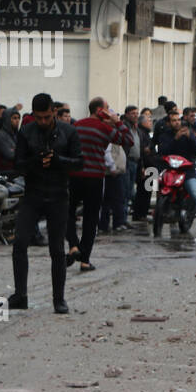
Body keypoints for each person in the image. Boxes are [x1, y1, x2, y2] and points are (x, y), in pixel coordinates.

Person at [8, 93, 83, 314]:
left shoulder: (69, 132)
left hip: (58, 195)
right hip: (33, 195)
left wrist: (59, 161)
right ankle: (21, 295)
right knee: (20, 243)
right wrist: (35, 161)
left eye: (47, 117)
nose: (43, 122)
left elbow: (79, 163)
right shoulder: (26, 132)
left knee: (57, 249)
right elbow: (18, 165)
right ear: (33, 115)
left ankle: (58, 299)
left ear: (54, 113)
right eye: (39, 117)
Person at [67, 98, 135, 271]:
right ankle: (85, 260)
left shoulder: (76, 126)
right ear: (99, 111)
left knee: (68, 211)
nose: (110, 111)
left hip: (74, 176)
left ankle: (74, 246)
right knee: (91, 218)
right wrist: (117, 121)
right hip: (95, 178)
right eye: (107, 109)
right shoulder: (105, 129)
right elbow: (129, 140)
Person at [155, 112, 196, 236]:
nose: (176, 122)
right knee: (159, 189)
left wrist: (189, 138)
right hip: (171, 170)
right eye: (173, 120)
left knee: (195, 194)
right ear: (169, 123)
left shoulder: (189, 133)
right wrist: (175, 139)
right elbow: (163, 151)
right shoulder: (165, 136)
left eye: (178, 120)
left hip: (187, 171)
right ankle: (159, 214)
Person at [132, 107, 156, 221]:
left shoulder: (146, 134)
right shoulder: (141, 133)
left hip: (151, 166)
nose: (151, 123)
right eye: (149, 121)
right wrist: (142, 166)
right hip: (145, 167)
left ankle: (143, 213)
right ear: (143, 123)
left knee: (148, 191)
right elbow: (141, 151)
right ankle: (140, 214)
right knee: (143, 192)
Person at [0, 107, 21, 174]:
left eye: (18, 118)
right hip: (4, 173)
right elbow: (10, 155)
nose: (17, 120)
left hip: (14, 170)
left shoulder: (16, 134)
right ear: (7, 119)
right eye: (14, 118)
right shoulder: (1, 135)